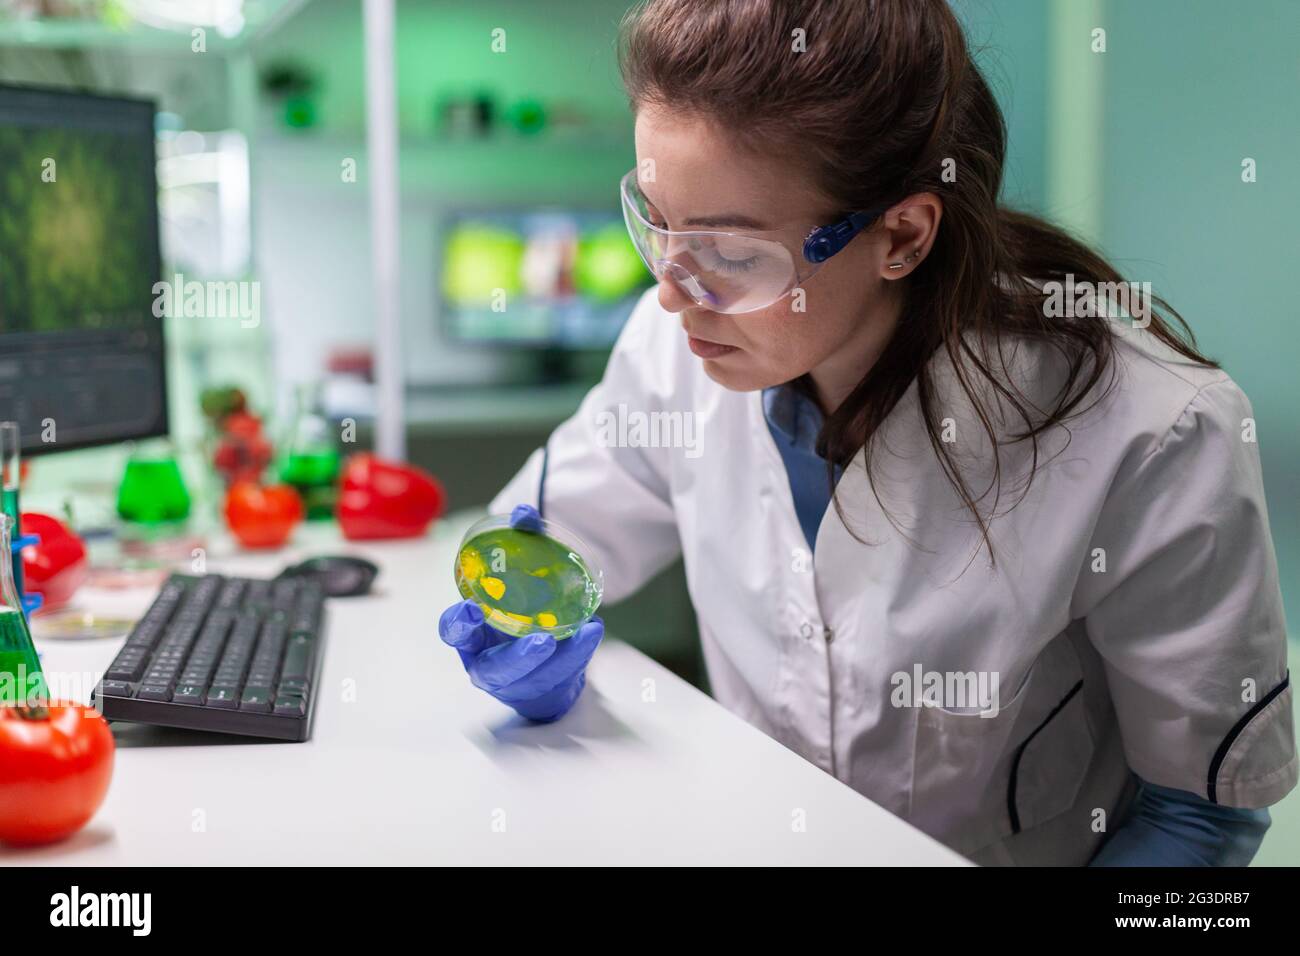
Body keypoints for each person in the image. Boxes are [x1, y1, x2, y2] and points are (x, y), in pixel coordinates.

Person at [439, 0, 1295, 865]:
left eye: (732, 254)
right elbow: (549, 538)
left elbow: (1199, 816)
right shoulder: (674, 351)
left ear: (902, 234)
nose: (672, 292)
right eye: (657, 224)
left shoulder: (1151, 430)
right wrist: (524, 641)